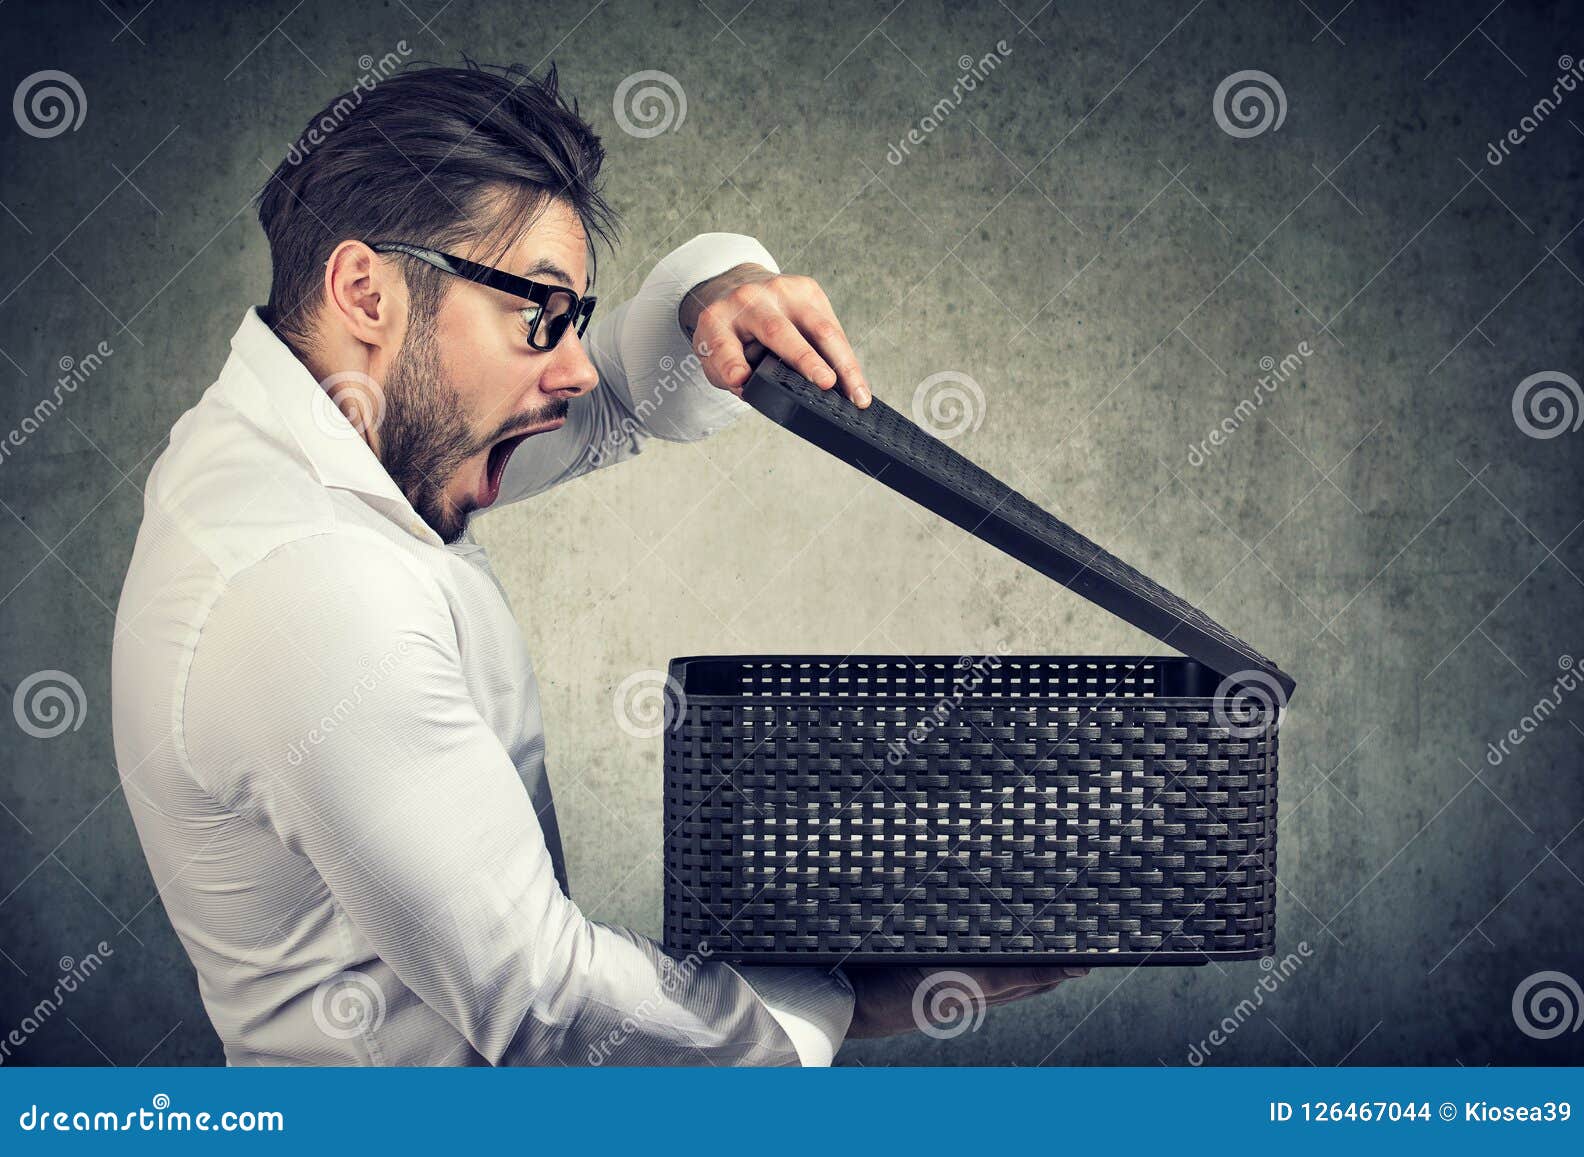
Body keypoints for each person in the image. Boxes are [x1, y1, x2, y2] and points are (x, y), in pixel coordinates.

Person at [111, 59, 1082, 1067]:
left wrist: (720, 288)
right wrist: (838, 1002)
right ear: (367, 289)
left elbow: (615, 390)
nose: (571, 364)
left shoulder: (322, 430)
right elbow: (545, 999)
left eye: (573, 317)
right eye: (539, 312)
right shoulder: (307, 587)